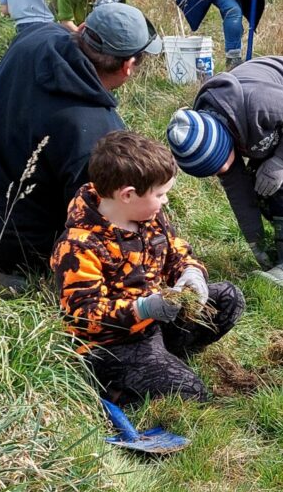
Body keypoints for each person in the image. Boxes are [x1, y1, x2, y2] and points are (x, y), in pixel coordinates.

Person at [0, 3, 162, 294]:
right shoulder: (95, 133)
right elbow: (98, 215)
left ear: (82, 30)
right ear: (127, 67)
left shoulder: (36, 36)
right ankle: (10, 270)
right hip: (13, 239)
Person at [50, 130, 244, 407]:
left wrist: (190, 273)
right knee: (191, 392)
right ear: (128, 194)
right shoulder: (80, 246)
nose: (165, 201)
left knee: (229, 298)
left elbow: (177, 252)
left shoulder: (149, 216)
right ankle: (113, 385)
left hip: (156, 320)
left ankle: (164, 359)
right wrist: (142, 309)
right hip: (114, 343)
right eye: (161, 194)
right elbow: (84, 315)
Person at [165, 56, 283, 285]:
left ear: (226, 139)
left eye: (223, 161)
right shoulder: (214, 130)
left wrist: (279, 163)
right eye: (219, 170)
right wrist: (256, 244)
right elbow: (240, 194)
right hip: (278, 122)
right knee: (261, 189)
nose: (226, 169)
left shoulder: (257, 103)